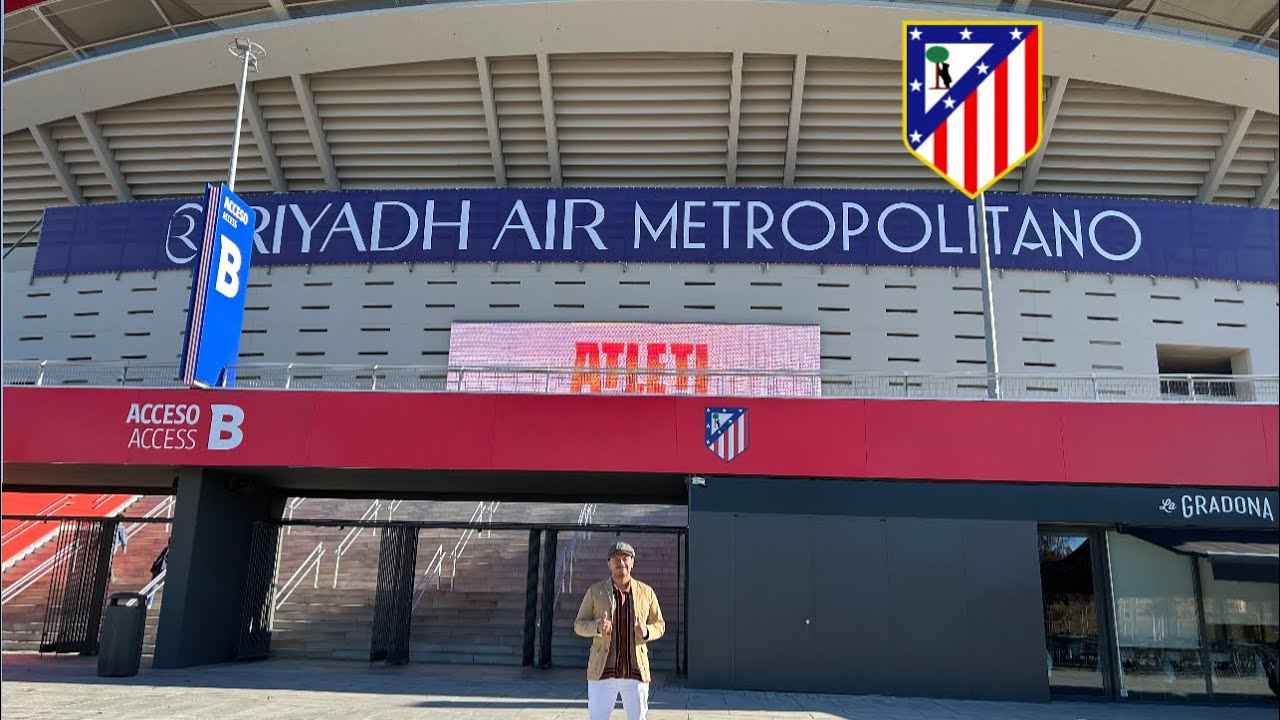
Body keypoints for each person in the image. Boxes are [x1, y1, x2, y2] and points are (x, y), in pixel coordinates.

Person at [574, 541, 665, 720]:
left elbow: (659, 624)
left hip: (635, 671)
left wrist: (646, 631)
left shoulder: (646, 592)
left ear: (632, 562)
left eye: (625, 558)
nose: (621, 562)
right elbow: (579, 624)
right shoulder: (595, 591)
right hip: (602, 671)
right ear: (609, 563)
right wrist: (597, 627)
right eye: (616, 558)